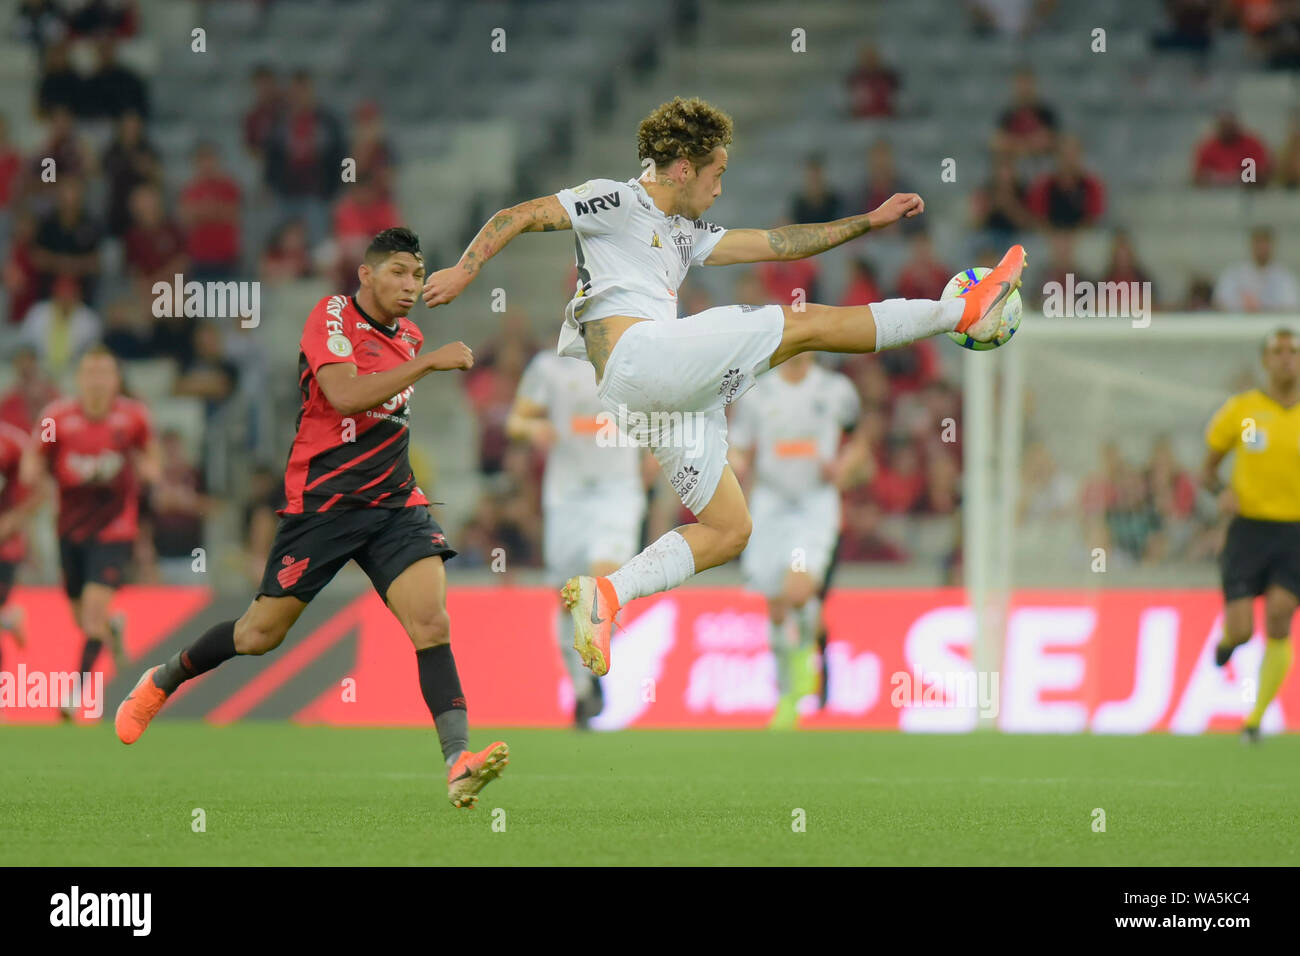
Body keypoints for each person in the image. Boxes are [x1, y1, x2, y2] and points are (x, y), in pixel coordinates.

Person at [422, 96, 1025, 677]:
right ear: (682, 168)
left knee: (730, 530)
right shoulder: (616, 199)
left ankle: (607, 594)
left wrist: (868, 221)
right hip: (641, 357)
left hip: (658, 396)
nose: (719, 187)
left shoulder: (685, 232)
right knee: (802, 324)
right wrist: (463, 270)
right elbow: (519, 215)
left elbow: (776, 243)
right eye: (716, 173)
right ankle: (960, 313)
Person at [114, 229, 508, 809]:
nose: (410, 285)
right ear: (365, 275)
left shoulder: (413, 336)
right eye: (398, 271)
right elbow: (345, 396)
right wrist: (428, 365)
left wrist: (421, 359)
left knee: (432, 623)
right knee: (257, 635)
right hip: (323, 505)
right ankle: (164, 678)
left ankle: (457, 762)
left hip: (395, 504)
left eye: (418, 275)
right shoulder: (331, 316)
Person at [507, 350, 648, 728]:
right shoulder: (548, 367)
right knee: (568, 598)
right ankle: (583, 689)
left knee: (602, 587)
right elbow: (516, 420)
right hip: (566, 495)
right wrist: (532, 428)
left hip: (617, 491)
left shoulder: (633, 358)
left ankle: (593, 666)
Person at [728, 352, 867, 728]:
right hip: (770, 506)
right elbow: (739, 446)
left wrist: (844, 465)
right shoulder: (758, 393)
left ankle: (805, 657)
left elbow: (858, 443)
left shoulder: (835, 390)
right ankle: (787, 695)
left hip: (813, 505)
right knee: (775, 606)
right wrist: (736, 463)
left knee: (799, 589)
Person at [20, 347, 159, 717]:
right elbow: (35, 454)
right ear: (78, 379)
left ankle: (76, 694)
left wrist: (150, 470)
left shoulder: (133, 417)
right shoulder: (56, 417)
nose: (97, 381)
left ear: (116, 380)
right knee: (82, 619)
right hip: (70, 529)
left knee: (92, 615)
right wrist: (31, 472)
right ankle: (113, 626)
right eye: (90, 373)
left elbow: (151, 453)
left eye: (104, 373)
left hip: (115, 529)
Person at [1203, 327, 1300, 742]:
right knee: (1242, 629)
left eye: (1293, 351)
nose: (1287, 358)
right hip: (1249, 531)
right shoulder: (1242, 411)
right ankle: (1228, 642)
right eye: (1278, 351)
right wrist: (1221, 492)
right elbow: (1207, 469)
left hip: (1294, 532)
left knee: (1280, 614)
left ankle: (1255, 719)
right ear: (1265, 360)